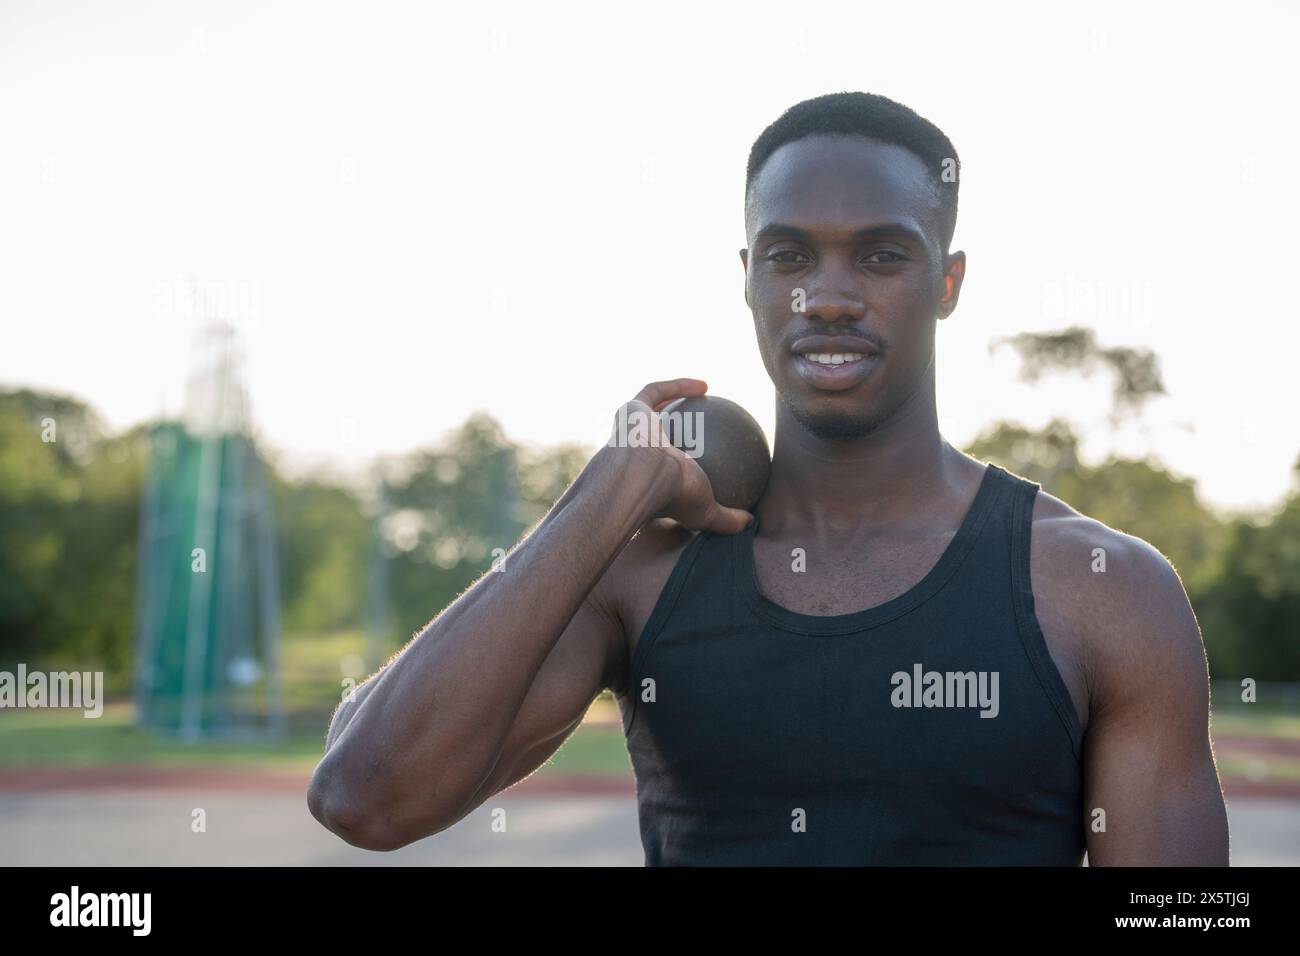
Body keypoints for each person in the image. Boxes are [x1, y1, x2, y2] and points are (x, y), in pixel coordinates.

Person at [308, 92, 1229, 865]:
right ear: (749, 279)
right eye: (789, 256)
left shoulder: (1104, 592)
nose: (825, 296)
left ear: (946, 283)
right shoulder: (640, 573)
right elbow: (369, 796)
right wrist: (602, 498)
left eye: (880, 255)